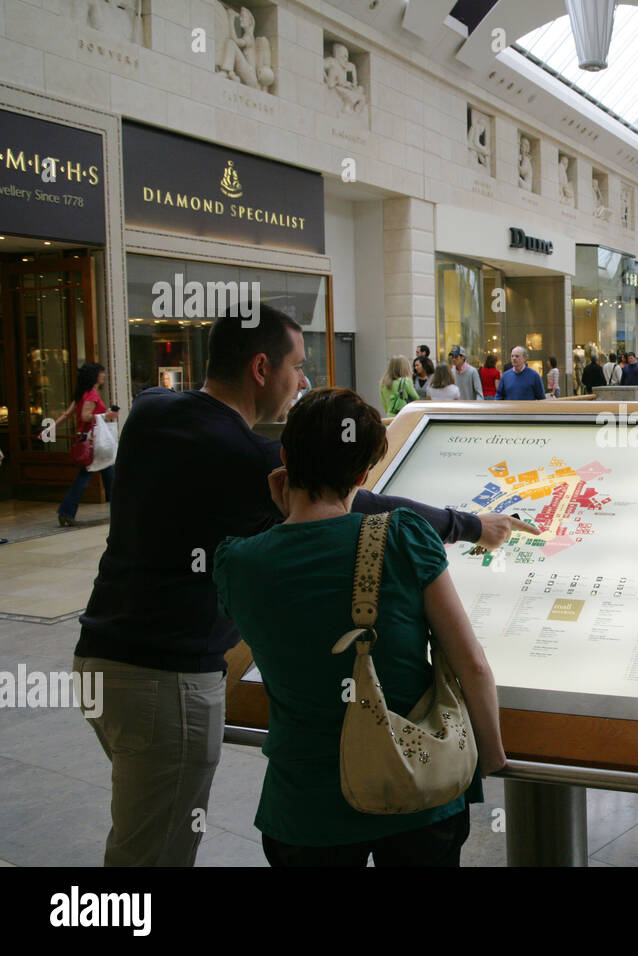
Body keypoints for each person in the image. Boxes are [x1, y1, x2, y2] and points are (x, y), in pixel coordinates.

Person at [72, 306, 533, 867]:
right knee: (153, 852)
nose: (302, 380)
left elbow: (328, 495)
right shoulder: (241, 455)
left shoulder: (151, 410)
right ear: (262, 368)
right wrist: (471, 526)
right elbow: (362, 504)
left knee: (140, 830)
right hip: (167, 681)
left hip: (101, 658)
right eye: (297, 366)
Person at [213, 389, 507, 866]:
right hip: (417, 790)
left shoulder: (237, 562)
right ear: (363, 474)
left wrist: (286, 516)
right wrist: (491, 755)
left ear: (285, 457)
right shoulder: (404, 536)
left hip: (305, 806)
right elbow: (470, 662)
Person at [53, 362, 120, 527]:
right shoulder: (91, 394)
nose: (103, 375)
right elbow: (85, 416)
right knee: (91, 477)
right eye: (101, 373)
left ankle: (67, 512)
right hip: (94, 442)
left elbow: (68, 414)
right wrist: (107, 415)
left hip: (88, 440)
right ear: (95, 376)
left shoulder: (82, 393)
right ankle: (66, 512)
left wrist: (50, 428)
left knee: (108, 476)